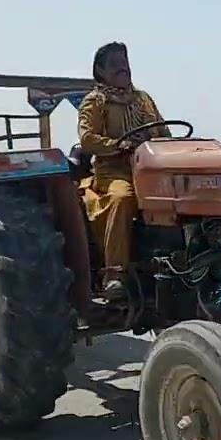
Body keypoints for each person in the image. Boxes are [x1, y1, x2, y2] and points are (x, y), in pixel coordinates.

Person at [77, 41, 169, 298]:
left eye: (125, 62)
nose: (123, 68)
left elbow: (163, 131)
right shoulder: (96, 101)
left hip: (151, 170)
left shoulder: (143, 99)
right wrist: (120, 145)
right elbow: (87, 139)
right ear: (101, 71)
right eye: (115, 64)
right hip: (114, 171)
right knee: (122, 198)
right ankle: (114, 275)